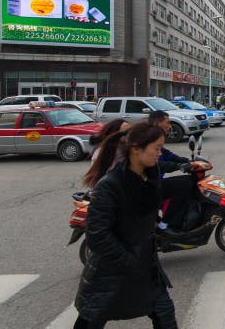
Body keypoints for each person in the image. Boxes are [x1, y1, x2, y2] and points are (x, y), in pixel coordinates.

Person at [74, 122, 177, 328]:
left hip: (145, 266)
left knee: (164, 313)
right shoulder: (109, 186)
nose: (160, 153)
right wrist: (128, 260)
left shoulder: (150, 176)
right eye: (156, 148)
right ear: (136, 149)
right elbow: (97, 235)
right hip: (111, 271)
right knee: (91, 318)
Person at [147, 111, 195, 230]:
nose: (170, 126)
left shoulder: (156, 139)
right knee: (185, 185)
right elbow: (158, 164)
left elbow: (169, 155)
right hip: (148, 186)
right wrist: (179, 166)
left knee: (190, 180)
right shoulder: (149, 139)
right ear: (157, 123)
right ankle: (167, 223)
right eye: (167, 122)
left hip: (156, 182)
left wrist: (188, 162)